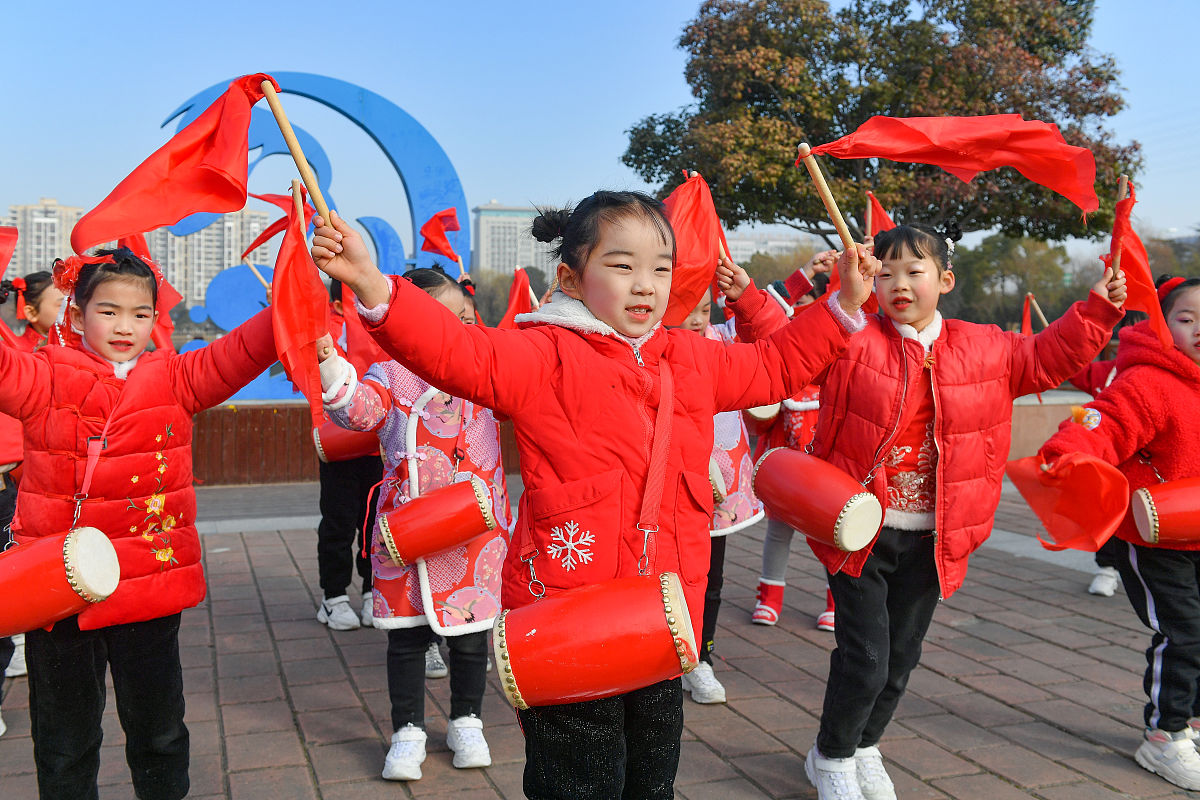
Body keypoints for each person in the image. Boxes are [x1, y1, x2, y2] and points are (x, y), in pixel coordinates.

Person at [309, 189, 880, 799]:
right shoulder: (541, 354)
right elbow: (456, 352)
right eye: (622, 264)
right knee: (577, 782)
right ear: (571, 278)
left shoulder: (691, 357)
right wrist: (370, 282)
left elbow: (777, 365)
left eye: (661, 267)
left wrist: (844, 301)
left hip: (661, 613)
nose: (646, 285)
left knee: (651, 777)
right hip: (567, 616)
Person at [725, 222, 1125, 800]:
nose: (898, 284)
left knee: (902, 657)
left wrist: (1097, 312)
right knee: (864, 655)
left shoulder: (988, 346)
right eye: (884, 273)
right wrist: (746, 296)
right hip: (859, 529)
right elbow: (790, 342)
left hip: (938, 535)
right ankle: (831, 756)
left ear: (945, 279)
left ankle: (865, 746)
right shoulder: (853, 339)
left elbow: (1050, 355)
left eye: (914, 271)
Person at [0, 247, 278, 800]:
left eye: (139, 314)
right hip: (59, 596)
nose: (124, 327)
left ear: (156, 317)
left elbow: (243, 349)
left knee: (160, 733)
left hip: (148, 591)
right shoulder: (44, 377)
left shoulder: (176, 377)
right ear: (76, 316)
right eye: (108, 311)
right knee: (63, 741)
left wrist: (293, 298)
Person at [320, 266, 514, 781]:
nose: (456, 329)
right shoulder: (389, 373)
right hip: (404, 531)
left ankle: (467, 721)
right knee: (405, 638)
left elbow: (530, 396)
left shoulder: (487, 366)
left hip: (472, 529)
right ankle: (407, 730)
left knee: (472, 636)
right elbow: (358, 413)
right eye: (440, 319)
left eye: (463, 318)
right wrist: (332, 371)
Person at [1039, 276, 1200, 791]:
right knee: (1185, 633)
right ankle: (1164, 737)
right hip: (1155, 537)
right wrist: (1069, 454)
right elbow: (1101, 424)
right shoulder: (1148, 382)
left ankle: (1190, 723)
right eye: (1187, 318)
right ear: (1161, 324)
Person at [674, 289, 766, 704]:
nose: (696, 319)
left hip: (722, 488)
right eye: (687, 310)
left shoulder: (724, 341)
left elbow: (766, 327)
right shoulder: (655, 346)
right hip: (672, 485)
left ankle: (701, 659)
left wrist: (744, 290)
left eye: (703, 309)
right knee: (665, 578)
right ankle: (661, 660)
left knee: (711, 579)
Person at [747, 253, 840, 631]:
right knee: (779, 529)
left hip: (824, 450)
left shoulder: (835, 330)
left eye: (807, 301)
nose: (800, 307)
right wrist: (806, 273)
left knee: (832, 530)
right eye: (797, 301)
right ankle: (769, 596)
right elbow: (766, 306)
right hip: (783, 450)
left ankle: (838, 601)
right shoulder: (779, 328)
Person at [0, 271, 65, 686]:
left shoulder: (60, 352)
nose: (63, 314)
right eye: (57, 305)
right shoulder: (17, 354)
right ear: (28, 310)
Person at [314, 279, 382, 630]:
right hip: (338, 447)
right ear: (340, 305)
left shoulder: (376, 328)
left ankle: (372, 591)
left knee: (373, 526)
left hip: (377, 446)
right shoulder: (324, 333)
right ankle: (333, 597)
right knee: (338, 524)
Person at [1065, 309, 1147, 597]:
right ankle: (1107, 569)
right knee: (1106, 515)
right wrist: (1062, 345)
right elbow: (1072, 370)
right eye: (1128, 330)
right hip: (1109, 462)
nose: (1135, 336)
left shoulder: (1160, 374)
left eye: (1142, 329)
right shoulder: (1105, 371)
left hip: (1147, 468)